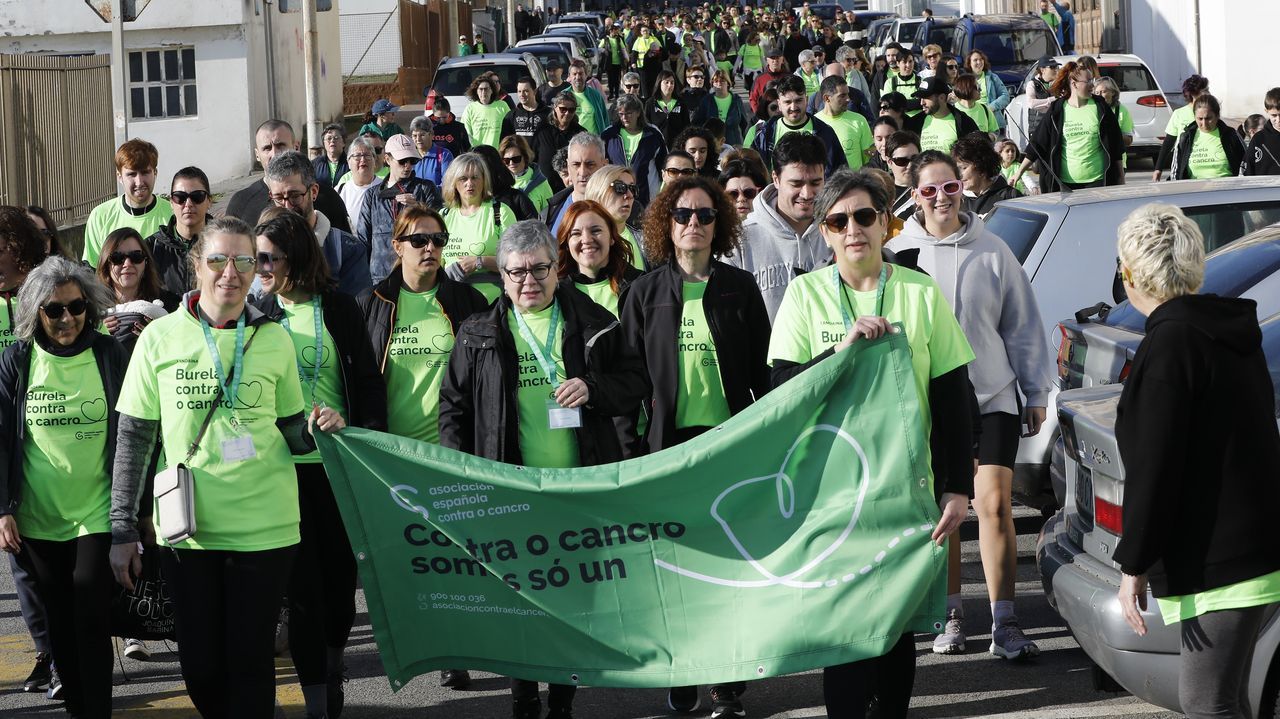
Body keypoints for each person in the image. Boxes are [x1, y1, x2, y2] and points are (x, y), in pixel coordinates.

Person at [109, 216, 346, 718]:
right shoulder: (160, 338)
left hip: (265, 524)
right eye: (218, 259)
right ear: (197, 265)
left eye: (244, 261)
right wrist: (122, 528)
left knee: (250, 659)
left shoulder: (274, 338)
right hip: (189, 528)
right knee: (202, 668)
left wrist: (318, 428)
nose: (231, 273)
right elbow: (134, 438)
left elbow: (291, 430)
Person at [767, 169, 974, 719]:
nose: (853, 229)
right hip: (831, 497)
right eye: (838, 221)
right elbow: (780, 391)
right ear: (824, 233)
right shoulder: (804, 294)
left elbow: (953, 396)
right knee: (846, 633)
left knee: (895, 630)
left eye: (864, 216)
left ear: (886, 223)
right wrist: (842, 350)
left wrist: (958, 487)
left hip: (905, 490)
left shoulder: (920, 291)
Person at [438, 220, 647, 719]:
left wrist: (594, 389)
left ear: (557, 269)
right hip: (511, 490)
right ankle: (524, 695)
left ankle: (562, 701)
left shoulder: (595, 322)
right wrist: (460, 476)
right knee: (521, 600)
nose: (528, 280)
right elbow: (453, 408)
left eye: (539, 269)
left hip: (577, 489)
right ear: (503, 277)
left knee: (572, 602)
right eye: (517, 272)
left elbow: (636, 381)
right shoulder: (477, 332)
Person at [1112, 203, 1280, 719]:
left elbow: (1157, 464)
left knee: (1207, 703)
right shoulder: (1225, 331)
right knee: (1227, 701)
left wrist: (1134, 563)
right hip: (1253, 548)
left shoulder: (1171, 343)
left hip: (1220, 559)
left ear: (1130, 273)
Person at [890, 151, 1052, 662]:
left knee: (995, 505)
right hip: (934, 404)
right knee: (948, 511)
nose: (941, 198)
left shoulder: (993, 250)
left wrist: (1037, 392)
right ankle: (952, 613)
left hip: (993, 394)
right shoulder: (897, 255)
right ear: (914, 196)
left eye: (950, 187)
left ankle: (1005, 622)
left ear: (963, 189)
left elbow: (1021, 324)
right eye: (929, 190)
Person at [619, 174, 770, 719]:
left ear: (719, 224)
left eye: (706, 215)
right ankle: (682, 671)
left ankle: (727, 684)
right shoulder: (643, 293)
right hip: (667, 451)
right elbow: (627, 381)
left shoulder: (740, 288)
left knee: (729, 570)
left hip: (728, 448)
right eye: (683, 214)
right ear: (666, 223)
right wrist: (632, 455)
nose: (694, 224)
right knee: (675, 571)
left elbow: (764, 374)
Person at [250, 208, 385, 719]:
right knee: (303, 592)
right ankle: (318, 697)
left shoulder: (340, 308)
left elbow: (368, 383)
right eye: (256, 258)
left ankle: (332, 662)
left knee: (338, 590)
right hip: (281, 472)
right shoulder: (256, 315)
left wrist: (353, 425)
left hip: (336, 469)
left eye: (269, 258)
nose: (260, 268)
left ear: (297, 258)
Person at [0, 256, 126, 719]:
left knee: (91, 618)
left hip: (96, 511)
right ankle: (77, 708)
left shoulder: (109, 354)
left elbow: (134, 432)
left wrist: (135, 511)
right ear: (36, 312)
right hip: (37, 516)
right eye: (54, 310)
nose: (67, 318)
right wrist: (2, 508)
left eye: (76, 307)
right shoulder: (18, 360)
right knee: (59, 627)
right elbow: (1, 437)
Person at [731, 132, 831, 320]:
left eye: (815, 183)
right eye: (796, 183)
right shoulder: (739, 240)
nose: (807, 193)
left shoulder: (840, 231)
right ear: (776, 179)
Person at [264, 152, 373, 299]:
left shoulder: (347, 250)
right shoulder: (263, 249)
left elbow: (358, 306)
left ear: (314, 192)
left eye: (295, 196)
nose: (287, 206)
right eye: (278, 198)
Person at [1012, 61, 1125, 193]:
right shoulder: (1057, 109)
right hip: (1065, 185)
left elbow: (1116, 146)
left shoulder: (1101, 107)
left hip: (1099, 181)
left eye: (1092, 80)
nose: (1092, 85)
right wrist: (1018, 173)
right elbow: (1037, 144)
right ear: (1074, 83)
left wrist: (1120, 178)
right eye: (1088, 81)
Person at [228, 120, 352, 235]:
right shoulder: (241, 203)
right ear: (257, 155)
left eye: (280, 145)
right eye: (267, 148)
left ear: (296, 147)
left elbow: (345, 245)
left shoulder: (326, 197)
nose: (274, 154)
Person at [358, 134, 444, 285]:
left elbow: (439, 229)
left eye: (412, 160)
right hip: (381, 275)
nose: (408, 166)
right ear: (387, 159)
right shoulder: (372, 195)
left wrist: (418, 209)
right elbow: (363, 240)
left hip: (417, 273)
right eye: (403, 161)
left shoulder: (426, 188)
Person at [439, 153, 518, 302]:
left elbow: (517, 262)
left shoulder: (500, 212)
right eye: (463, 178)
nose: (470, 183)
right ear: (453, 182)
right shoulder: (443, 216)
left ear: (484, 180)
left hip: (492, 303)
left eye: (475, 177)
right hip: (452, 301)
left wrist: (479, 261)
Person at [82, 139, 174, 266]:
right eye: (132, 174)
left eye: (145, 172)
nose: (139, 182)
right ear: (120, 177)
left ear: (155, 173)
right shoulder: (100, 216)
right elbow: (92, 269)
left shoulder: (172, 214)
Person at [96, 228, 179, 351]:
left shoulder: (171, 305)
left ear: (146, 262)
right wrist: (94, 336)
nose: (127, 264)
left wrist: (161, 336)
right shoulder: (90, 309)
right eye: (117, 257)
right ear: (106, 264)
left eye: (136, 256)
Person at [555, 199, 640, 318]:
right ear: (567, 243)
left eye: (595, 231)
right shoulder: (555, 293)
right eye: (576, 233)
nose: (586, 240)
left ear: (612, 237)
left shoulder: (640, 286)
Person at [748, 75, 847, 173]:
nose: (793, 107)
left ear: (806, 100)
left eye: (798, 100)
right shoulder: (766, 134)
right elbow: (754, 172)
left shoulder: (825, 133)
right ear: (779, 104)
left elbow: (840, 174)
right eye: (787, 102)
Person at [143, 167, 212, 296]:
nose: (188, 204)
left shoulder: (223, 245)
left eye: (197, 196)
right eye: (180, 197)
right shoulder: (151, 248)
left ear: (209, 201)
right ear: (171, 202)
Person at [602, 95, 668, 209]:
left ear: (638, 113)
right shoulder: (609, 135)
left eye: (629, 113)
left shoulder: (653, 134)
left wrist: (661, 195)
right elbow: (601, 167)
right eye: (621, 114)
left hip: (646, 200)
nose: (624, 118)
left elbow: (664, 166)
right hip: (616, 198)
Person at [584, 165, 647, 270]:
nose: (629, 195)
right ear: (598, 192)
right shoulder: (583, 243)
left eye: (633, 189)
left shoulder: (645, 239)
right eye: (620, 188)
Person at [1170, 94, 1245, 181]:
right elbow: (1175, 172)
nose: (1204, 123)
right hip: (1194, 188)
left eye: (1208, 118)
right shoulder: (1186, 137)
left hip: (1226, 187)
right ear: (1194, 117)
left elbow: (1245, 164)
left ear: (1217, 116)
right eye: (1200, 119)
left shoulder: (1231, 135)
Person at [545, 133, 607, 235]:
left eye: (590, 165)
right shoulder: (551, 210)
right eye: (576, 164)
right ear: (568, 166)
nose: (582, 172)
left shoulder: (620, 209)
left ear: (604, 165)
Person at [905, 77, 982, 155]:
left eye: (926, 97)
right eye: (920, 98)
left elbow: (978, 152)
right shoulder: (916, 122)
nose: (922, 102)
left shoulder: (963, 122)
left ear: (942, 97)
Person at [1154, 74, 1209, 181]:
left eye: (1207, 89)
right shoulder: (1179, 114)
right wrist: (1158, 168)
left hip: (1204, 159)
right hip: (1182, 162)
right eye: (1204, 90)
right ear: (1192, 94)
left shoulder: (1211, 112)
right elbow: (1168, 142)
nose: (1208, 93)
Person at [951, 134, 1022, 218]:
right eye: (957, 169)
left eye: (963, 168)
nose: (959, 174)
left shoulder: (1010, 197)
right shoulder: (957, 200)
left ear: (981, 166)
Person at [816, 75, 874, 170]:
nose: (848, 99)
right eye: (842, 96)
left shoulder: (859, 120)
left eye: (848, 94)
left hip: (856, 179)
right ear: (827, 98)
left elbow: (869, 159)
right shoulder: (815, 123)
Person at [533, 92, 586, 195]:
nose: (567, 113)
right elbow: (533, 157)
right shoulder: (542, 130)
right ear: (555, 108)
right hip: (546, 189)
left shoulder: (580, 133)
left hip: (570, 189)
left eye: (571, 110)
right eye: (563, 109)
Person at [502, 135, 554, 216]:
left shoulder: (541, 183)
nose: (511, 163)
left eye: (516, 159)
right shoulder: (499, 184)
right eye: (506, 160)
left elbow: (551, 215)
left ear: (525, 157)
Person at [336, 139, 382, 227]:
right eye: (357, 156)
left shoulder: (385, 188)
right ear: (349, 162)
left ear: (374, 160)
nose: (363, 160)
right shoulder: (340, 191)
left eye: (367, 155)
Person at [700, 69, 750, 146]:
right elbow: (699, 122)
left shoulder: (736, 100)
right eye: (716, 81)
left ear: (728, 83)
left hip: (734, 143)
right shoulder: (706, 100)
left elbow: (744, 124)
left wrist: (745, 144)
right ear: (712, 84)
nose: (719, 83)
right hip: (712, 143)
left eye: (722, 81)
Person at [460, 75, 511, 151]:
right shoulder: (470, 109)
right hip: (477, 153)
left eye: (486, 89)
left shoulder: (502, 106)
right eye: (481, 89)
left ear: (492, 90)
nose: (483, 92)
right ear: (476, 91)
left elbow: (510, 130)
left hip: (498, 152)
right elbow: (466, 134)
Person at [964, 50, 1010, 131]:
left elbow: (1005, 96)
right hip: (972, 121)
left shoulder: (993, 78)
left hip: (992, 121)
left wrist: (991, 107)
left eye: (981, 59)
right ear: (969, 63)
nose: (979, 62)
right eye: (975, 60)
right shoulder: (964, 81)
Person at [1241, 87, 1280, 177]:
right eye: (1274, 115)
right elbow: (1247, 171)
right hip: (1265, 186)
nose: (1278, 120)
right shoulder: (1258, 140)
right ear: (1266, 111)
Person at [645, 70, 691, 141]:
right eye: (666, 82)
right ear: (659, 83)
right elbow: (646, 125)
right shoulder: (650, 103)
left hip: (677, 144)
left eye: (672, 82)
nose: (670, 85)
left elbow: (687, 126)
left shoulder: (681, 103)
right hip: (656, 143)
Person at [885, 130, 921, 218]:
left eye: (915, 159)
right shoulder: (881, 194)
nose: (910, 165)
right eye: (901, 161)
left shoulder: (930, 191)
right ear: (889, 162)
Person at [501, 77, 550, 143]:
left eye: (526, 91)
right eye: (519, 91)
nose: (522, 94)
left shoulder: (548, 113)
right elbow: (505, 142)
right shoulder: (511, 116)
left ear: (535, 91)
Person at [567, 59, 609, 136]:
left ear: (586, 75)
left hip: (593, 140)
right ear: (569, 76)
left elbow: (605, 119)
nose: (577, 77)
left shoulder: (595, 95)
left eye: (580, 73)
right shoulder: (564, 95)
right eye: (574, 74)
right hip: (571, 140)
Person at [952, 73, 1000, 139]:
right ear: (967, 89)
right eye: (977, 87)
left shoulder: (984, 109)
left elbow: (995, 131)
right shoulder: (952, 111)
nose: (980, 90)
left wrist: (988, 138)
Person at [750, 48, 791, 115]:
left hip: (786, 115)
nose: (775, 61)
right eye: (772, 58)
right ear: (767, 60)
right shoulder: (760, 78)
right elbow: (753, 98)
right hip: (766, 115)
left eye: (777, 58)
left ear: (782, 60)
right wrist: (758, 114)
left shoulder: (789, 77)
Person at [882, 52, 921, 117]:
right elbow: (888, 104)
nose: (908, 65)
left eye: (910, 61)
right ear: (898, 63)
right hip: (897, 119)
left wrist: (898, 103)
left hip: (918, 119)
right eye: (904, 62)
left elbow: (924, 103)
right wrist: (914, 103)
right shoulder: (890, 82)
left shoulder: (921, 81)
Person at [312, 124, 349, 189]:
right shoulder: (315, 164)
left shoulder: (351, 162)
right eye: (329, 138)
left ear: (343, 142)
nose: (332, 141)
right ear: (324, 143)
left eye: (336, 138)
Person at [599, 24, 631, 100]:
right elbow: (599, 48)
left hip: (618, 62)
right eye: (615, 30)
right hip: (609, 63)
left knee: (617, 79)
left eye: (617, 30)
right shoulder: (605, 39)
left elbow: (623, 49)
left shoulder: (619, 39)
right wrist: (605, 51)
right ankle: (611, 94)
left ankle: (616, 94)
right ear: (610, 31)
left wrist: (627, 59)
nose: (616, 32)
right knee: (610, 80)